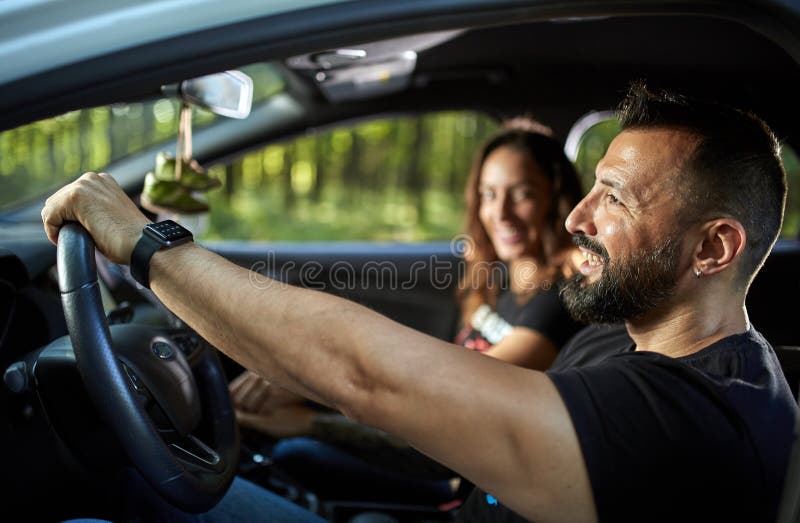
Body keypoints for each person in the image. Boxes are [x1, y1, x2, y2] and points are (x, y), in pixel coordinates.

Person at [41, 81, 797, 522]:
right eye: (590, 186)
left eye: (615, 198)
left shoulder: (693, 421)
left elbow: (375, 376)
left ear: (713, 248)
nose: (576, 217)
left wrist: (151, 245)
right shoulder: (624, 335)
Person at [227, 120, 587, 504]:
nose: (500, 212)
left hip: (459, 474)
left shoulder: (559, 302)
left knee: (289, 457)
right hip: (427, 435)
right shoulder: (496, 277)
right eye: (488, 194)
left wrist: (311, 417)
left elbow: (450, 403)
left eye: (523, 194)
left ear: (556, 196)